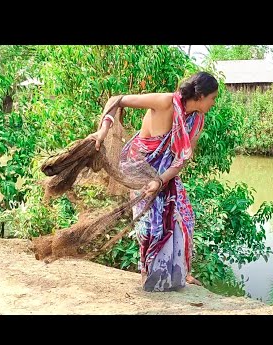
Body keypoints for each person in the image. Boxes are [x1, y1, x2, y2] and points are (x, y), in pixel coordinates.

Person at [88, 71, 218, 291]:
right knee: (150, 226)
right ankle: (148, 274)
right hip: (139, 169)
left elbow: (182, 160)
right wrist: (102, 131)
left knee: (184, 217)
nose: (214, 103)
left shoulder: (197, 120)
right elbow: (115, 100)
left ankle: (180, 273)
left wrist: (161, 180)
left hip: (165, 173)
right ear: (201, 95)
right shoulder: (165, 101)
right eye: (213, 98)